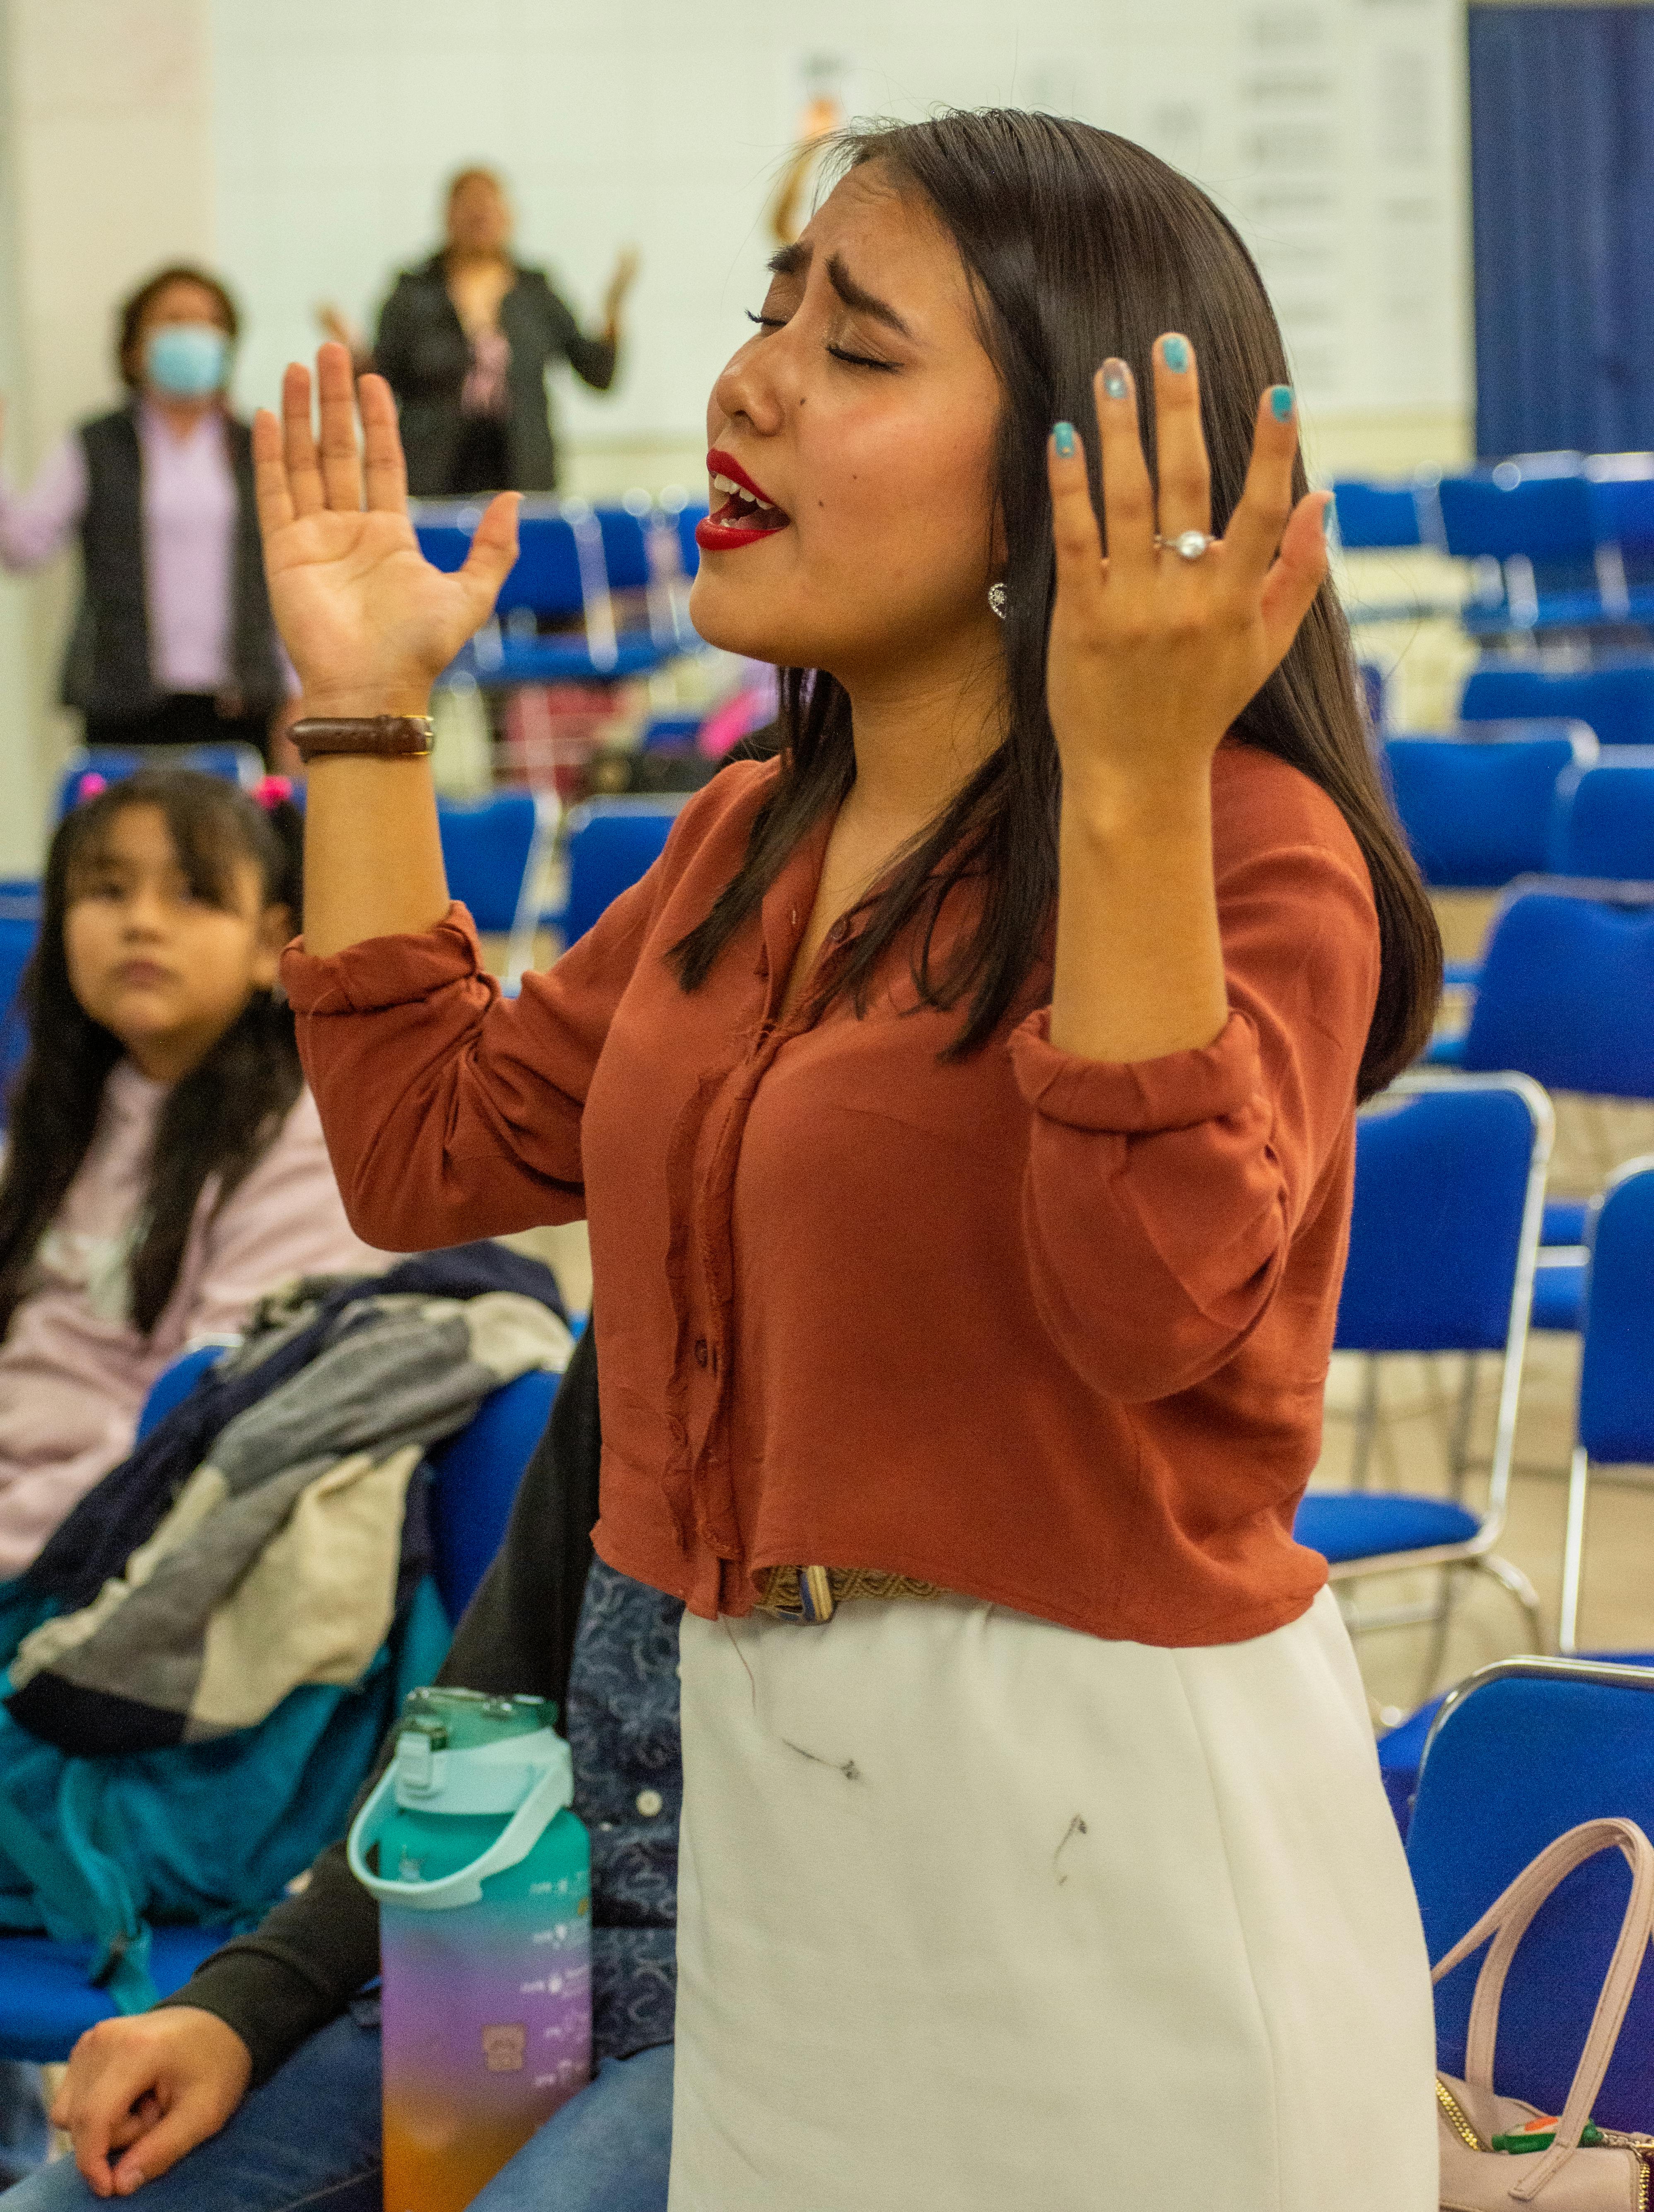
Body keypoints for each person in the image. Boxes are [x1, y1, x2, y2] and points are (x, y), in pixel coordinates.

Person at [43, 109, 1448, 2210]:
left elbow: (1154, 1305)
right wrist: (356, 725)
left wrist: (1136, 780)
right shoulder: (737, 846)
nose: (750, 382)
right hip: (747, 1811)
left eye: (857, 345)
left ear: (1064, 472)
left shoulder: (1255, 851)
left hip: (1076, 1832)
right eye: (765, 311)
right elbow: (430, 1154)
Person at [2, 1324, 682, 2212]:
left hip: (750, 2027)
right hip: (510, 1959)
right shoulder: (645, 1319)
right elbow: (463, 1736)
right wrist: (239, 2006)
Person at [0, 770, 387, 1577]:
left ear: (268, 945)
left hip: (105, 1554)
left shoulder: (305, 1145)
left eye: (191, 897)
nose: (141, 923)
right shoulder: (64, 1118)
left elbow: (203, 1431)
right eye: (106, 891)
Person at [0, 268, 289, 761]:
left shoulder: (254, 446)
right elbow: (23, 548)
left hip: (240, 700)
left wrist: (297, 688)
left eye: (208, 323)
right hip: (125, 698)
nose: (193, 335)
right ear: (135, 346)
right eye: (174, 320)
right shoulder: (96, 444)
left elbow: (283, 574)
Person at [324, 167, 637, 497]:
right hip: (434, 475)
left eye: (489, 209)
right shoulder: (413, 293)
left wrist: (614, 306)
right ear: (448, 217)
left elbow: (598, 375)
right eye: (469, 210)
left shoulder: (535, 291)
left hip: (524, 472)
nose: (480, 219)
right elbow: (381, 387)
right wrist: (355, 357)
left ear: (507, 216)